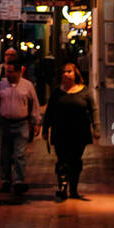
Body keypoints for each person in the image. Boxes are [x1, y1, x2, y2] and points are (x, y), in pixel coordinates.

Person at [42, 61, 100, 201]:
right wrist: (45, 128)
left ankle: (73, 188)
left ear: (75, 74)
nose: (66, 74)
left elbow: (93, 109)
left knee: (75, 159)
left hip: (79, 131)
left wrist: (96, 127)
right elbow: (49, 112)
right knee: (62, 159)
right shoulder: (57, 93)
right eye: (64, 72)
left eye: (69, 71)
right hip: (60, 130)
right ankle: (62, 187)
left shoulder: (84, 91)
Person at [0, 54, 41, 197]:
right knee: (5, 153)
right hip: (4, 123)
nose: (8, 75)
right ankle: (5, 180)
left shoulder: (27, 86)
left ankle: (18, 180)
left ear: (18, 72)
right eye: (7, 72)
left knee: (19, 153)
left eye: (10, 72)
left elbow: (34, 104)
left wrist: (36, 122)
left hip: (21, 123)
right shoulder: (1, 85)